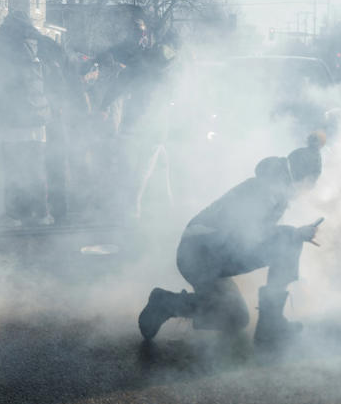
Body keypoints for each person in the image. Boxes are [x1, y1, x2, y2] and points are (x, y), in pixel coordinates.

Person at [138, 133, 326, 348]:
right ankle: (271, 327)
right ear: (303, 178)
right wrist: (294, 234)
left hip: (214, 256)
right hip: (200, 255)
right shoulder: (264, 190)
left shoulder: (274, 187)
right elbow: (248, 236)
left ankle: (166, 304)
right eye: (311, 184)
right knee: (289, 240)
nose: (308, 191)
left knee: (236, 318)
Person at [0, 11, 52, 226]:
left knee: (13, 168)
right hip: (37, 116)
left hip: (9, 117)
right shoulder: (38, 42)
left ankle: (15, 216)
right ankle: (41, 214)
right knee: (36, 167)